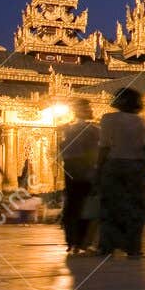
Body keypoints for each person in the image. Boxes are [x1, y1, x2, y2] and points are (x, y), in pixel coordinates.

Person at [96, 87, 145, 258]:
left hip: (115, 165)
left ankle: (108, 245)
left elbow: (104, 146)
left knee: (111, 206)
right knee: (135, 207)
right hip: (138, 167)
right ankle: (133, 245)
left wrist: (99, 169)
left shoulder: (108, 119)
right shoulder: (142, 122)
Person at [57, 107, 100, 255]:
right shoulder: (93, 130)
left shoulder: (68, 130)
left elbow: (63, 151)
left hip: (71, 170)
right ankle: (82, 242)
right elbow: (96, 151)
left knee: (72, 205)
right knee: (85, 206)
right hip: (86, 170)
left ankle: (71, 241)